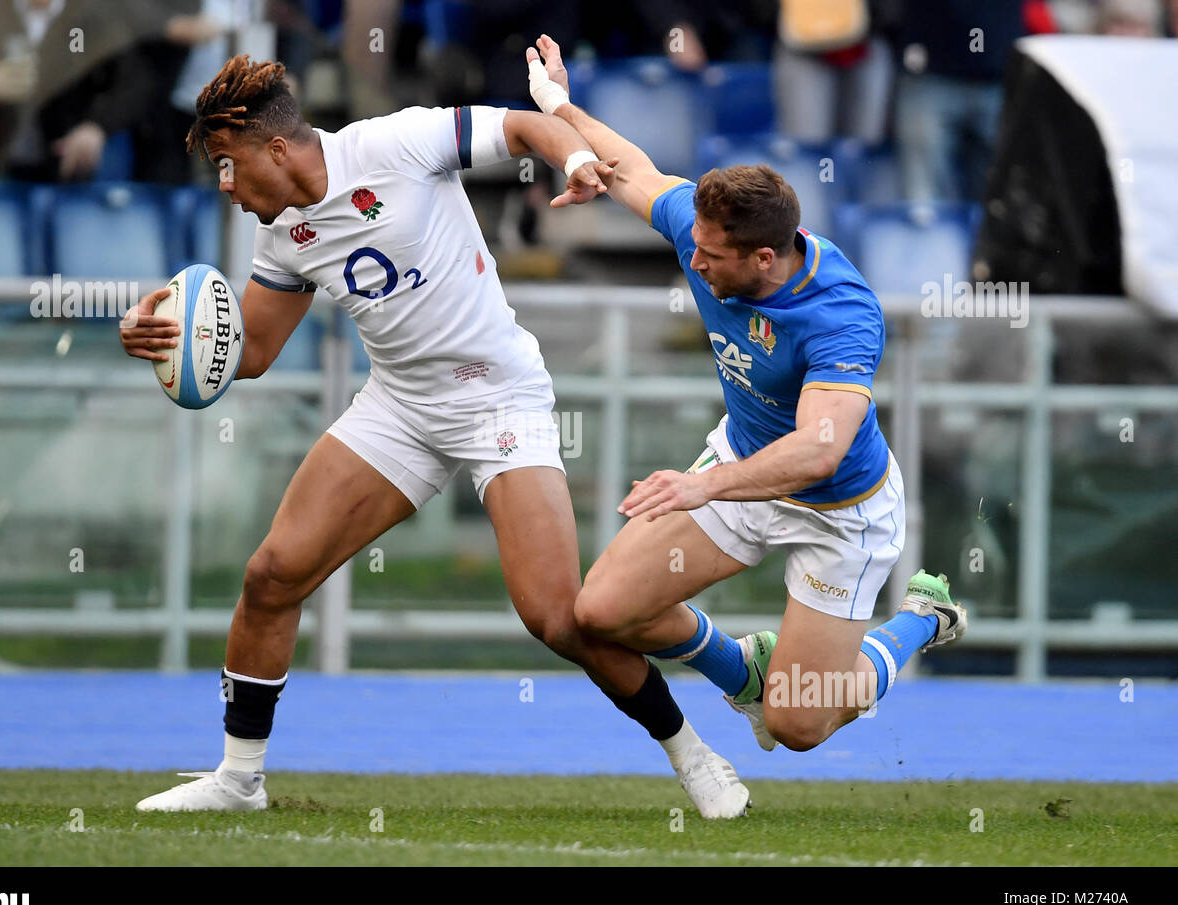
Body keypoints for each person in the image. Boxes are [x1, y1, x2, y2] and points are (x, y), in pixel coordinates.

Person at [123, 55, 752, 818]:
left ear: (277, 150)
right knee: (272, 576)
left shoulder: (395, 144)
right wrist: (165, 338)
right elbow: (249, 353)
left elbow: (524, 126)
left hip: (500, 401)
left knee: (558, 616)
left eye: (227, 164)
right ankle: (238, 780)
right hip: (400, 408)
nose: (223, 184)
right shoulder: (283, 238)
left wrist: (578, 156)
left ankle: (695, 755)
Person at [525, 35, 967, 755]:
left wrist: (707, 488)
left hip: (840, 512)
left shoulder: (843, 315)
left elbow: (819, 452)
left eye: (710, 256)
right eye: (692, 244)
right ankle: (743, 670)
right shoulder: (707, 234)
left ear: (765, 258)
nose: (693, 263)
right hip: (742, 470)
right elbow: (631, 169)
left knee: (797, 724)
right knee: (603, 611)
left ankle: (923, 614)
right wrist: (561, 107)